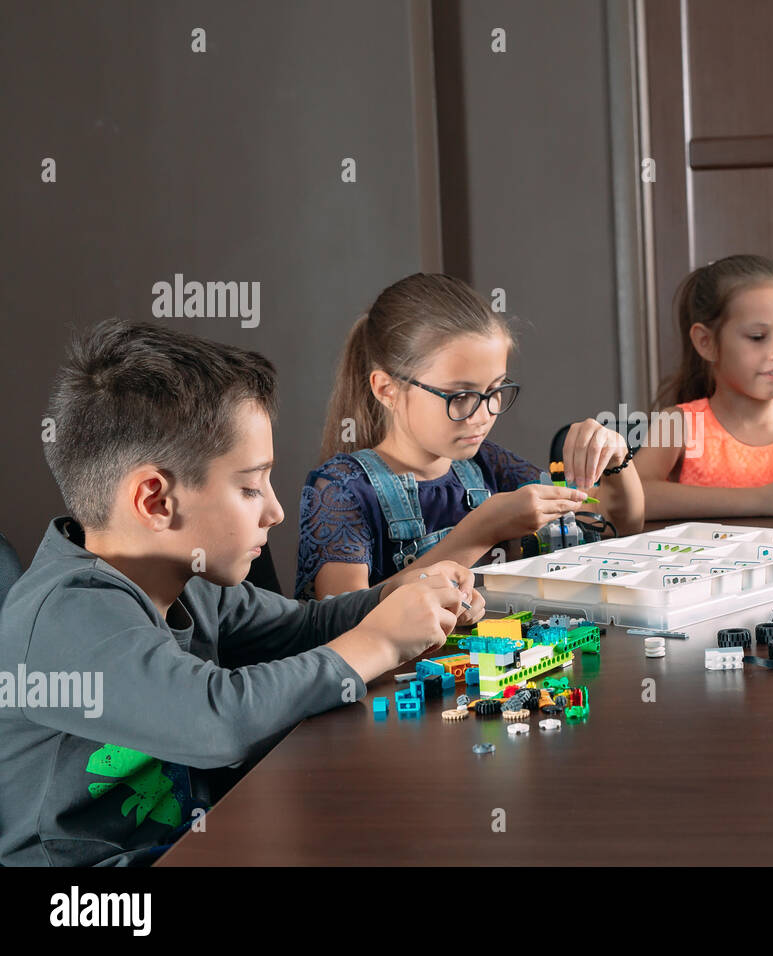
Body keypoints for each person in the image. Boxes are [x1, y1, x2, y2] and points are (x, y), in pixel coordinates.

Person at [0, 320, 481, 866]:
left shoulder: (187, 585)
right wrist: (380, 642)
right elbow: (217, 721)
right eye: (251, 487)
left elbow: (306, 628)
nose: (275, 512)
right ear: (155, 500)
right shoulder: (67, 614)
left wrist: (408, 599)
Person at [297, 273, 643, 598]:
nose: (484, 414)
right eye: (460, 396)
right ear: (387, 389)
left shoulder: (489, 465)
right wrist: (481, 531)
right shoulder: (341, 490)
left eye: (494, 391)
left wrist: (618, 460)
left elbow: (618, 528)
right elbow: (339, 618)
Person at [636, 255, 773, 520]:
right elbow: (635, 496)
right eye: (757, 337)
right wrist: (763, 499)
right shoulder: (678, 423)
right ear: (706, 342)